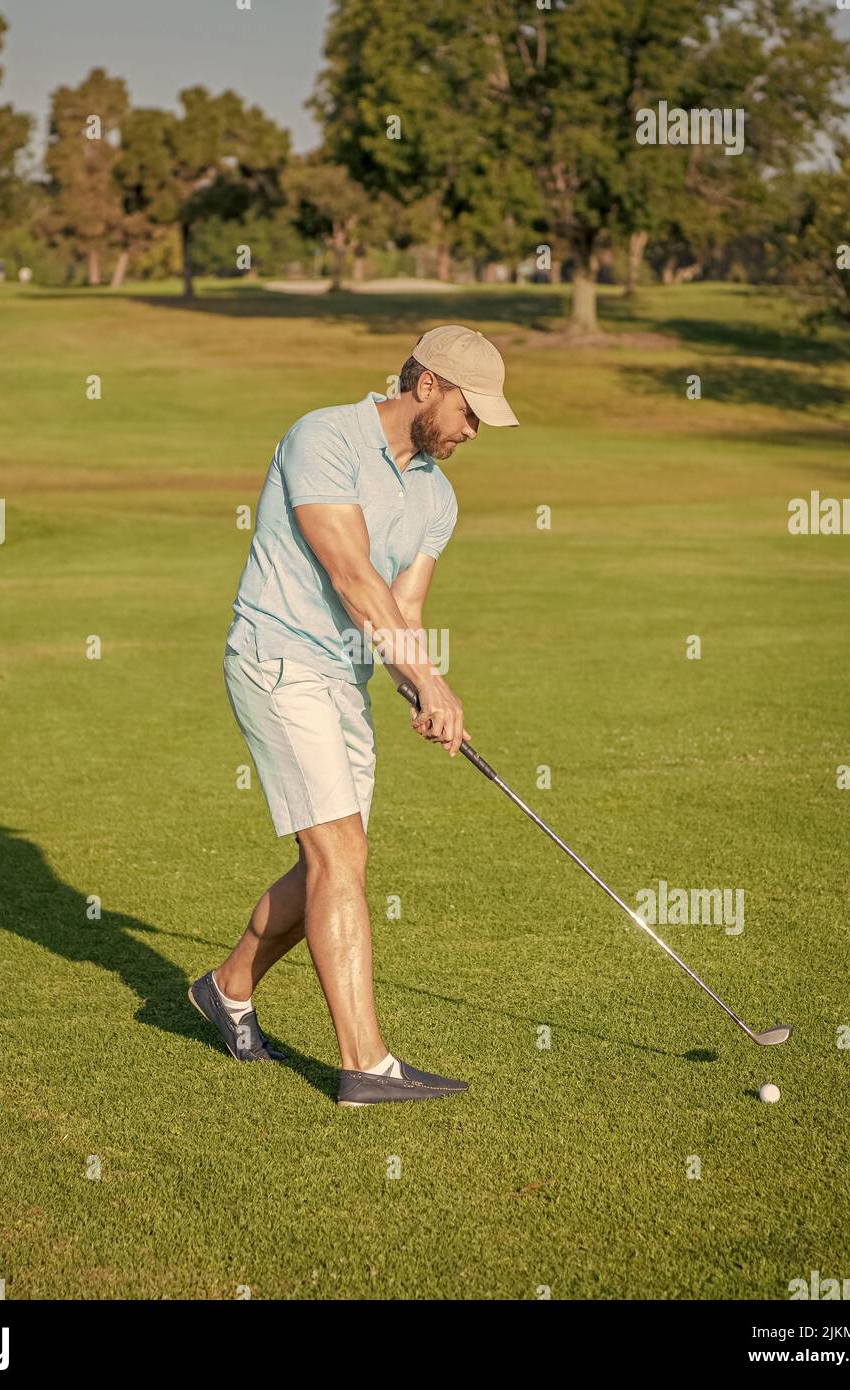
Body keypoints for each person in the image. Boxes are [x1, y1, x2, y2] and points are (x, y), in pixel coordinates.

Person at [189, 326, 519, 1106]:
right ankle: (365, 1065)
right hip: (278, 662)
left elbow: (402, 607)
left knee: (333, 864)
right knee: (338, 858)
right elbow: (350, 576)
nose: (473, 433)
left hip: (343, 681)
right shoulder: (323, 437)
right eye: (472, 413)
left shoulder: (435, 495)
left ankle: (228, 986)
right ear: (428, 385)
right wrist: (431, 681)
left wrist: (419, 693)